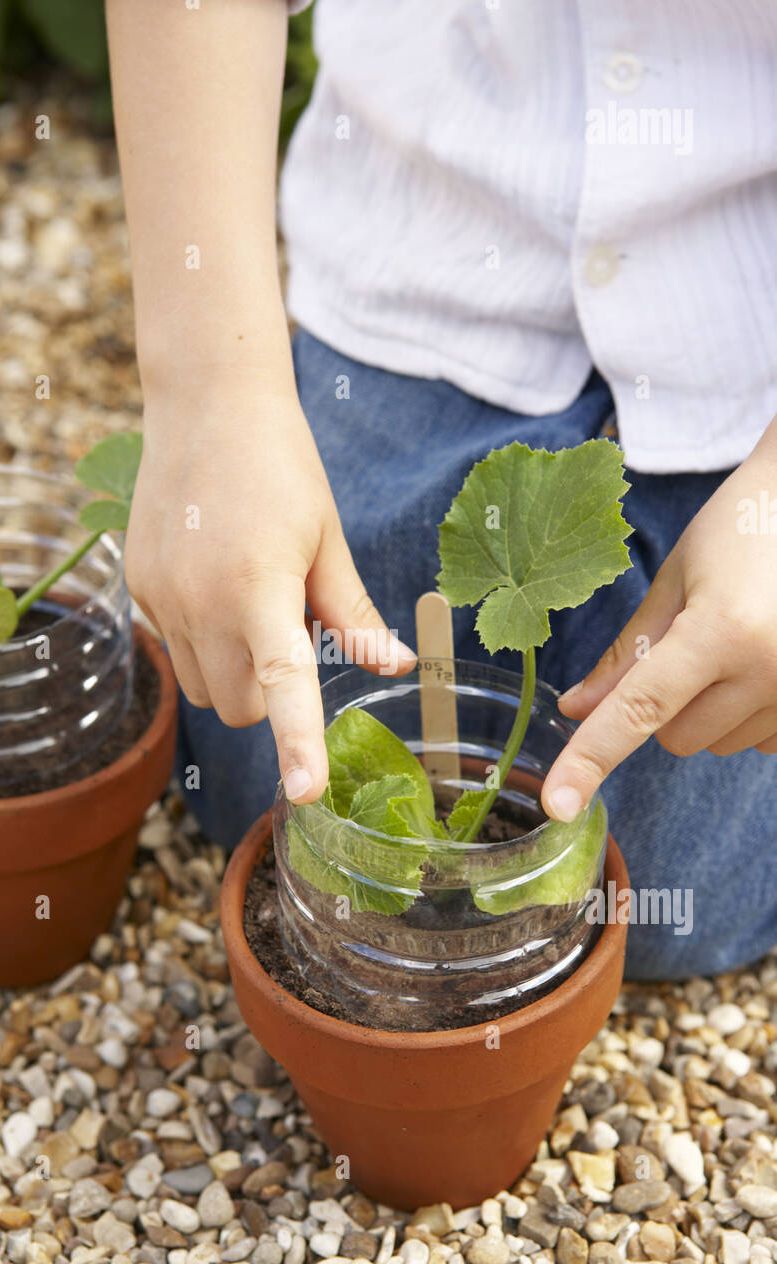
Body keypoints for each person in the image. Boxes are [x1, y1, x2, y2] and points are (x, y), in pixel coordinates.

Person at [104, 0, 777, 980]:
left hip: (743, 350)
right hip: (425, 262)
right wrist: (210, 397)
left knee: (677, 884)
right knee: (269, 749)